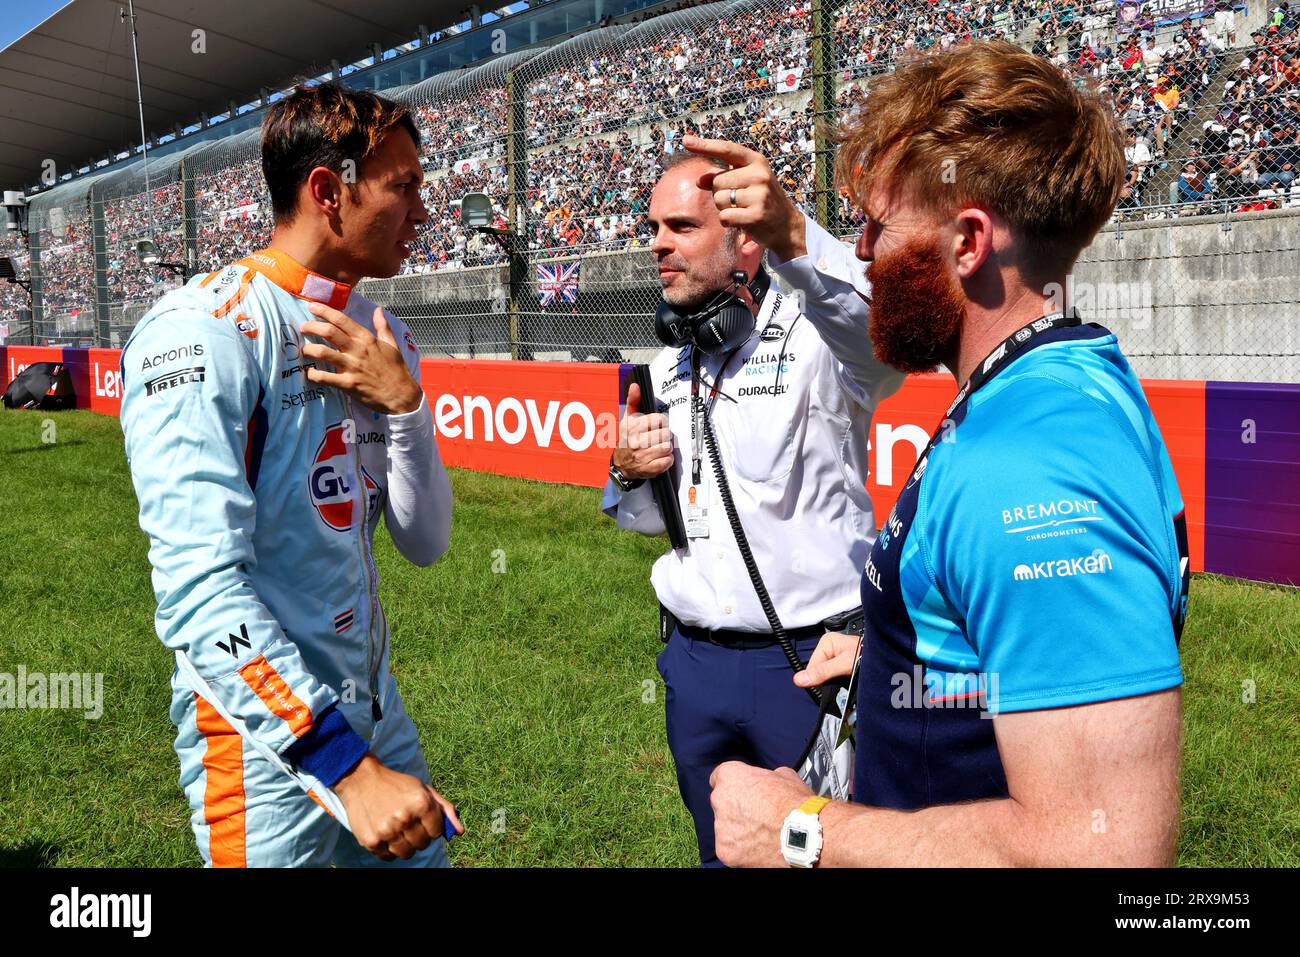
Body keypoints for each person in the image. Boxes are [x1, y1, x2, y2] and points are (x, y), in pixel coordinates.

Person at [709, 40, 1190, 867]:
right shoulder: (1042, 384)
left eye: (876, 225)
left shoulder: (1029, 465)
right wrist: (894, 649)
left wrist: (798, 830)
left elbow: (1105, 853)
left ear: (968, 242)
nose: (859, 251)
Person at [120, 83, 462, 867]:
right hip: (263, 744)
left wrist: (405, 404)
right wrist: (342, 763)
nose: (424, 212)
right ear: (327, 191)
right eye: (404, 187)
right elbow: (200, 590)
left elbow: (426, 542)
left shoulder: (384, 334)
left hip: (378, 717)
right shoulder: (200, 331)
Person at [601, 144, 901, 866]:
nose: (657, 244)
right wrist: (624, 471)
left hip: (805, 665)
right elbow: (651, 521)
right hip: (693, 665)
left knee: (821, 856)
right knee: (721, 854)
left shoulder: (817, 338)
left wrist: (792, 231)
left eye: (678, 227)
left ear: (742, 241)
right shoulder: (669, 361)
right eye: (653, 227)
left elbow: (883, 342)